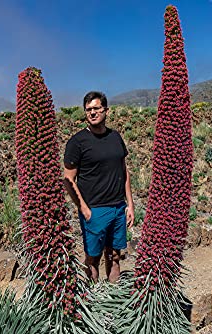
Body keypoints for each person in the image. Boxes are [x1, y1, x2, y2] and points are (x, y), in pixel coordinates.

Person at [63, 91, 134, 283]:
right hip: (94, 210)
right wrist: (84, 209)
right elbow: (68, 179)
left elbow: (124, 170)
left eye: (96, 109)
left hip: (118, 207)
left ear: (106, 110)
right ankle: (93, 298)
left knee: (115, 255)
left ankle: (113, 297)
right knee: (92, 258)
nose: (92, 113)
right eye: (88, 110)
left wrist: (130, 205)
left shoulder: (115, 137)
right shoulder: (77, 142)